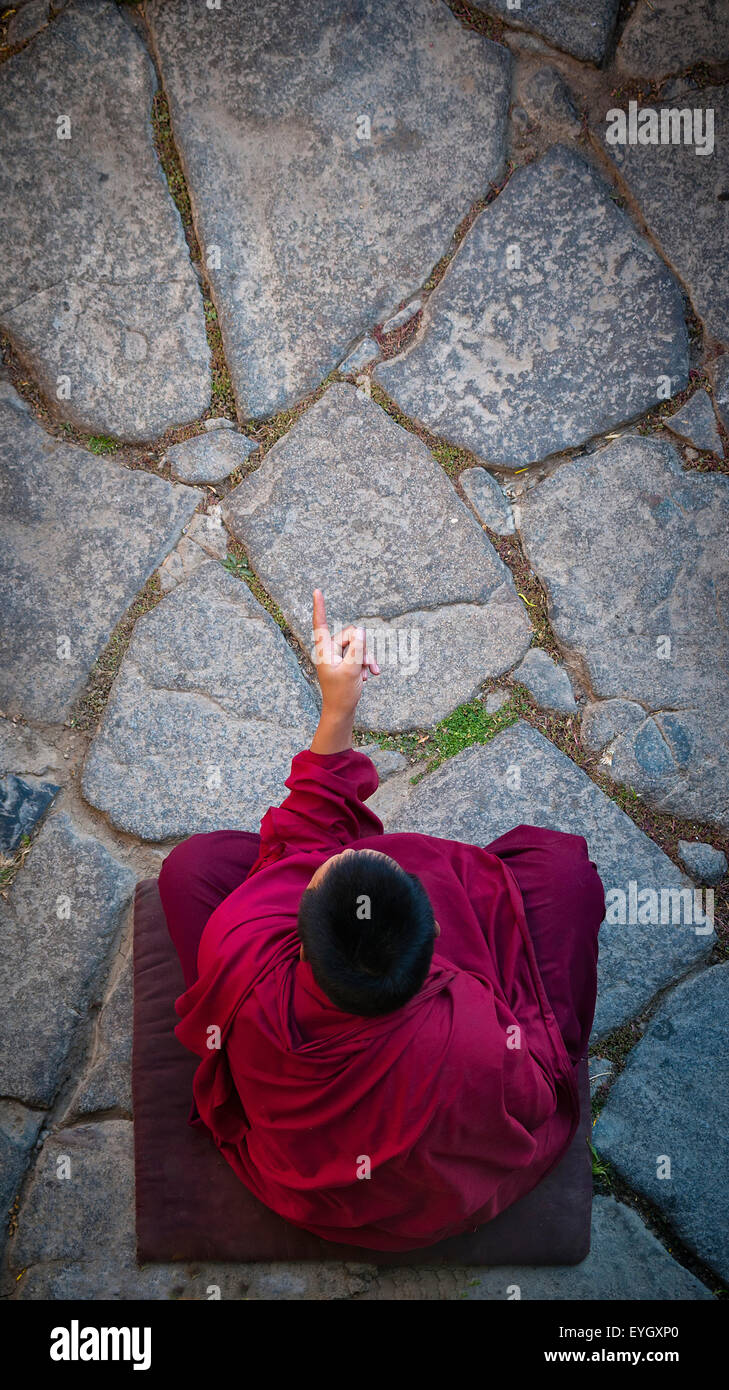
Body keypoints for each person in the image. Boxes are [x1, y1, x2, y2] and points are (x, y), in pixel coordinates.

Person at [159, 589, 604, 1252]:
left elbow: (303, 839)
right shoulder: (476, 1029)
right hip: (448, 1200)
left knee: (194, 871)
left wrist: (336, 708)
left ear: (298, 939)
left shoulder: (246, 949)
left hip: (301, 1189)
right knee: (560, 874)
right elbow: (538, 1091)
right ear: (435, 951)